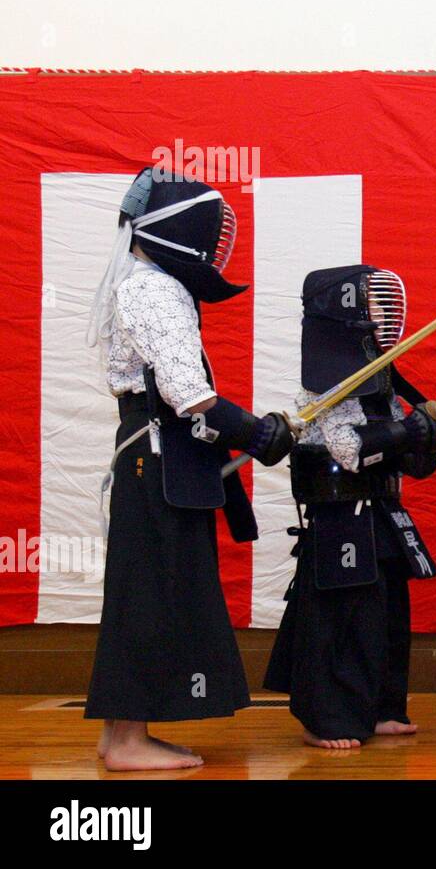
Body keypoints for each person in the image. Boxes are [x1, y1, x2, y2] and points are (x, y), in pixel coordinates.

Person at [84, 168, 294, 771]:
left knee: (143, 593)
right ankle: (126, 742)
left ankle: (122, 733)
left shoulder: (142, 282)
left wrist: (252, 431)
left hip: (153, 457)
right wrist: (256, 432)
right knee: (152, 597)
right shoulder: (155, 289)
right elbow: (188, 395)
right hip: (159, 459)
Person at [264, 265, 436, 747]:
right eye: (368, 304)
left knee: (386, 613)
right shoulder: (324, 378)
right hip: (339, 514)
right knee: (343, 617)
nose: (381, 312)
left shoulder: (380, 371)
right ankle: (329, 719)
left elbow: (401, 456)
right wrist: (410, 430)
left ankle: (379, 708)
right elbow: (348, 449)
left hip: (381, 507)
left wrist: (427, 437)